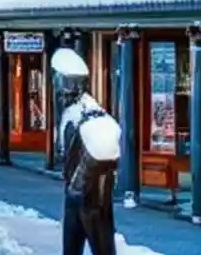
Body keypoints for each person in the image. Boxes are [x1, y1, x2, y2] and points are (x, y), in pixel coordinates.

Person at [54, 48, 121, 255]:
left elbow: (105, 147)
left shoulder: (84, 113)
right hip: (84, 195)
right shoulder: (79, 111)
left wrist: (80, 183)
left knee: (97, 249)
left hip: (88, 198)